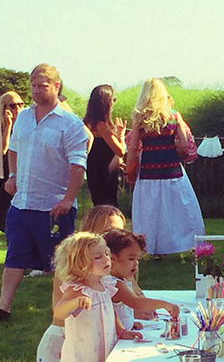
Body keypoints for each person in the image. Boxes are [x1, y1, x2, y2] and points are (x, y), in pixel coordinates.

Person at [0, 65, 87, 322]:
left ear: (56, 87)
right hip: (22, 203)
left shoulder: (70, 124)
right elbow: (14, 148)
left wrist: (68, 199)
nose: (36, 91)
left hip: (53, 206)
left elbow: (78, 165)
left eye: (42, 86)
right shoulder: (24, 118)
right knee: (15, 254)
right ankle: (3, 306)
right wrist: (13, 176)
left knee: (62, 264)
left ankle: (67, 312)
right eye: (33, 86)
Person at [52, 231, 140, 362]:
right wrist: (75, 303)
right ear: (80, 263)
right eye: (98, 257)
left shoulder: (105, 284)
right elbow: (59, 312)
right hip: (82, 354)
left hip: (103, 347)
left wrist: (121, 330)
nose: (106, 259)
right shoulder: (77, 289)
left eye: (107, 254)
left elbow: (109, 310)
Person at [123, 78, 205, 256]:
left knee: (150, 212)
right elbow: (183, 145)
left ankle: (151, 248)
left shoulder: (139, 117)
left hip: (148, 172)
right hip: (172, 170)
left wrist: (128, 168)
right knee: (179, 210)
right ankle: (184, 244)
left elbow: (133, 147)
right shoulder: (174, 116)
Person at [104, 227, 181, 330]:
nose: (136, 263)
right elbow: (136, 303)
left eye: (137, 259)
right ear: (112, 259)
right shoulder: (115, 284)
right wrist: (164, 304)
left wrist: (130, 322)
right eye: (131, 258)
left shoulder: (120, 280)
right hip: (117, 339)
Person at [84, 85, 126, 209]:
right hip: (105, 172)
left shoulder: (87, 123)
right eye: (113, 100)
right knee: (109, 205)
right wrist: (121, 135)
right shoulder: (102, 127)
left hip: (93, 169)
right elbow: (120, 151)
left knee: (98, 204)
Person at [0, 91, 24, 235]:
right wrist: (9, 126)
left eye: (20, 104)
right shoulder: (0, 126)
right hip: (6, 170)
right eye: (12, 105)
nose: (17, 109)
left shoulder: (27, 123)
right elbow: (3, 150)